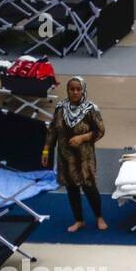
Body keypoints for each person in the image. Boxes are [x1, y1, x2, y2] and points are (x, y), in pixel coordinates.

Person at [43, 77, 106, 233]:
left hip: (84, 157)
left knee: (89, 187)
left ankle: (99, 217)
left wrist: (83, 138)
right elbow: (52, 131)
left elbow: (100, 131)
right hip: (66, 156)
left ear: (83, 90)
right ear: (68, 90)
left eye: (78, 89)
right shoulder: (60, 107)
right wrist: (46, 150)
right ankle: (79, 220)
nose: (75, 92)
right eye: (72, 89)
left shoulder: (91, 108)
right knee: (71, 188)